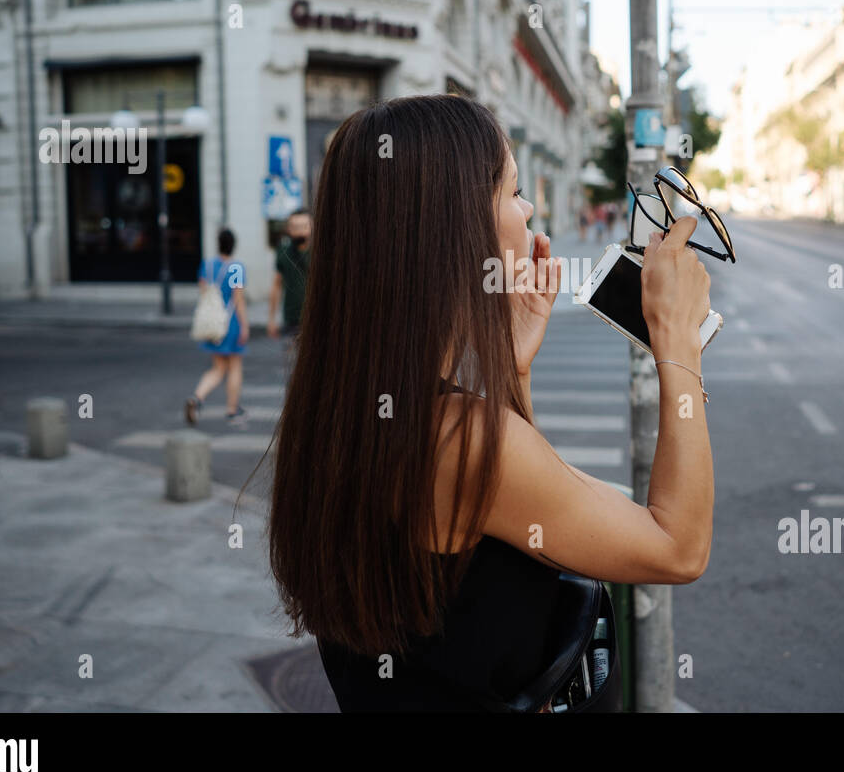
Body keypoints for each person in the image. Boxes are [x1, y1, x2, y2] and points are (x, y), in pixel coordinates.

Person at [263, 94, 713, 712]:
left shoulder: (344, 405)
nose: (529, 210)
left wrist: (513, 367)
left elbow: (510, 526)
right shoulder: (460, 438)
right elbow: (677, 546)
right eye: (512, 191)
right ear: (455, 226)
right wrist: (677, 343)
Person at [185, 228, 250, 427]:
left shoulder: (208, 264)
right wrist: (245, 326)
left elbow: (204, 290)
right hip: (230, 323)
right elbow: (238, 299)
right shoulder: (236, 268)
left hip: (212, 322)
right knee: (235, 366)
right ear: (233, 245)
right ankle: (232, 410)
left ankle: (197, 398)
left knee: (218, 367)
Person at [268, 209, 312, 341]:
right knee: (293, 360)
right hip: (291, 319)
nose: (299, 231)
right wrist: (271, 318)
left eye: (304, 226)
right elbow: (276, 285)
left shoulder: (321, 250)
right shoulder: (284, 250)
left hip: (317, 318)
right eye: (295, 227)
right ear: (289, 229)